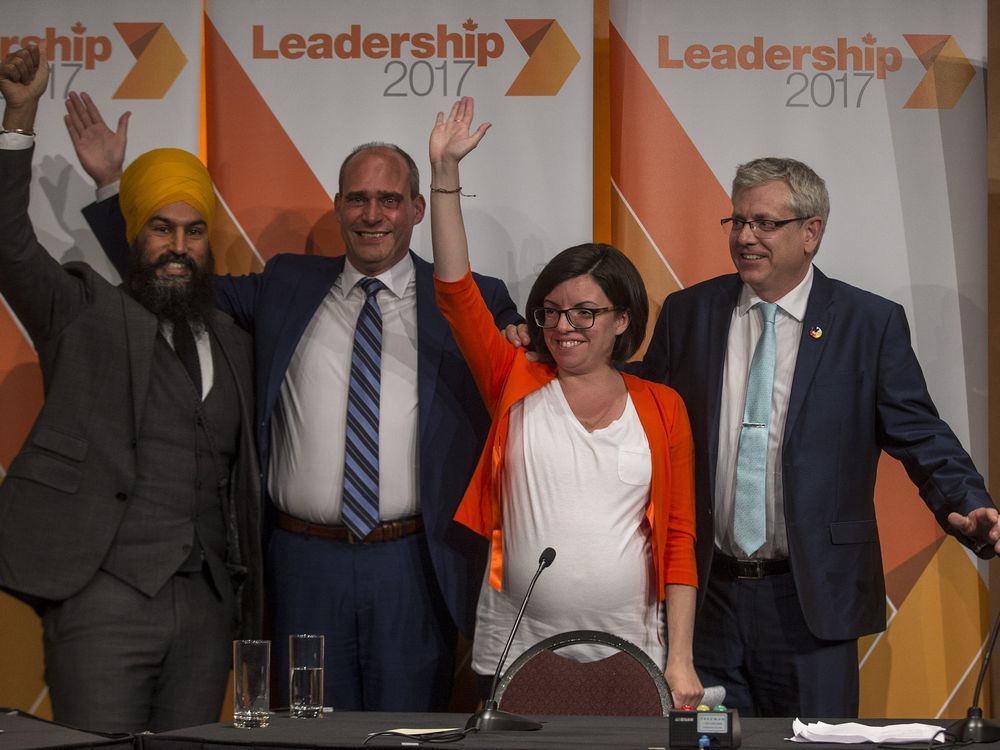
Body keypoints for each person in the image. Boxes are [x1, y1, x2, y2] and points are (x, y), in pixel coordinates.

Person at [65, 93, 522, 711]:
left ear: (417, 208)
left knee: (412, 731)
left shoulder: (475, 299)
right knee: (303, 731)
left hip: (416, 565)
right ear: (337, 205)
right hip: (303, 565)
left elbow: (528, 353)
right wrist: (109, 189)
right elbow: (170, 281)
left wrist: (521, 327)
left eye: (389, 199)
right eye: (357, 198)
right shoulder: (285, 283)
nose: (372, 214)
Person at [635, 156, 1000, 717]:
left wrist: (968, 501)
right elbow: (641, 417)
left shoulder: (867, 323)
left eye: (764, 223)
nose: (745, 237)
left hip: (812, 597)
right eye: (737, 222)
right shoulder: (690, 313)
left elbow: (921, 432)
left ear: (812, 232)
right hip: (706, 598)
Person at [0, 47, 262, 733]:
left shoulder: (235, 341)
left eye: (195, 231)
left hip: (207, 616)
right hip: (102, 603)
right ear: (133, 235)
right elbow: (9, 245)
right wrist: (18, 119)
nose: (179, 245)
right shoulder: (80, 312)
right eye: (161, 228)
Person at [428, 97, 703, 707]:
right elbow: (454, 292)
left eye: (585, 311)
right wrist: (444, 176)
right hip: (517, 647)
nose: (563, 325)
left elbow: (679, 538)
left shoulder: (662, 407)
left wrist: (681, 661)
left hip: (635, 652)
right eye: (551, 310)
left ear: (622, 318)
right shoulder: (516, 377)